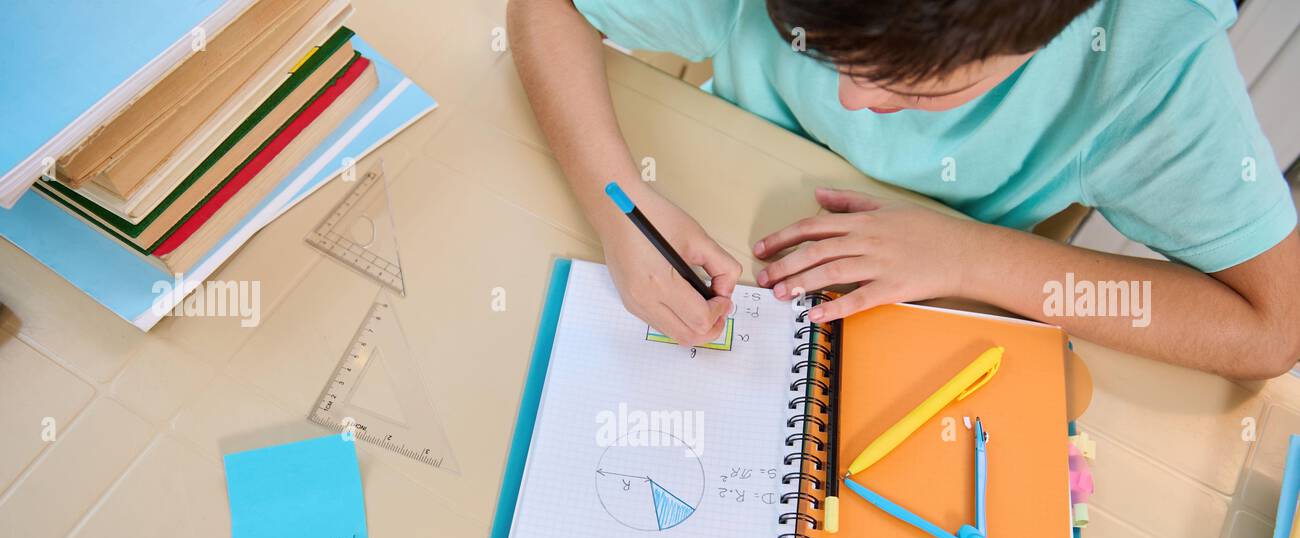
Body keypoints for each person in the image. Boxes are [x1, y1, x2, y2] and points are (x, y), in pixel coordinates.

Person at [508, 0, 1300, 378]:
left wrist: (974, 258)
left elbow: (1273, 328)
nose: (852, 100)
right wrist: (618, 202)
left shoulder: (1150, 64)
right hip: (717, 185)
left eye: (913, 91)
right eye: (817, 52)